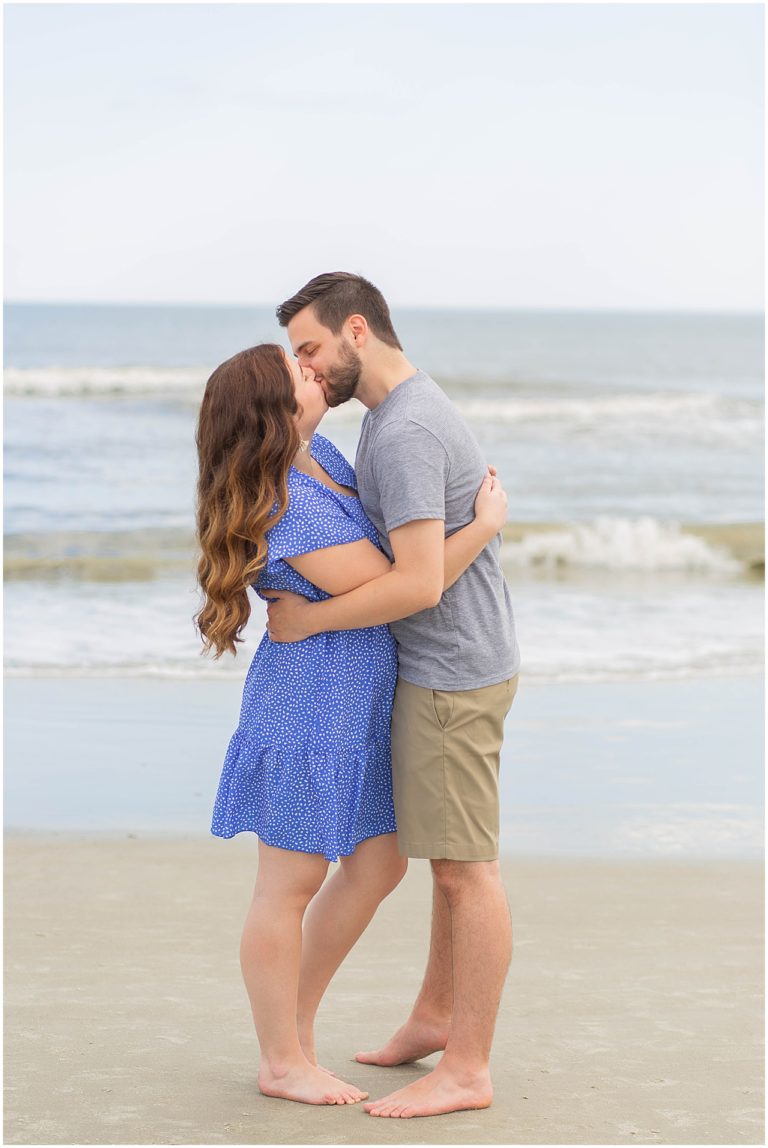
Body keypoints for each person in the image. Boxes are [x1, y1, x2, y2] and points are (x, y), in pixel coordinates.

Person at [194, 342, 508, 1107]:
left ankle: (295, 1025)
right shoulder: (285, 503)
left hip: (359, 702)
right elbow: (406, 583)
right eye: (297, 374)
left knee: (378, 865)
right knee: (289, 883)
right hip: (309, 706)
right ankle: (281, 1060)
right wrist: (485, 524)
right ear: (273, 412)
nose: (315, 370)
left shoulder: (327, 458)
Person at [266, 272, 522, 1119]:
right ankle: (436, 1017)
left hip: (450, 671)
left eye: (310, 348)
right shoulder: (387, 418)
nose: (306, 368)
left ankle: (468, 1068)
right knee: (449, 865)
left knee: (465, 873)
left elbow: (415, 585)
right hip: (450, 663)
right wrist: (484, 527)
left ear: (356, 331)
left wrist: (310, 620)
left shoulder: (403, 430)